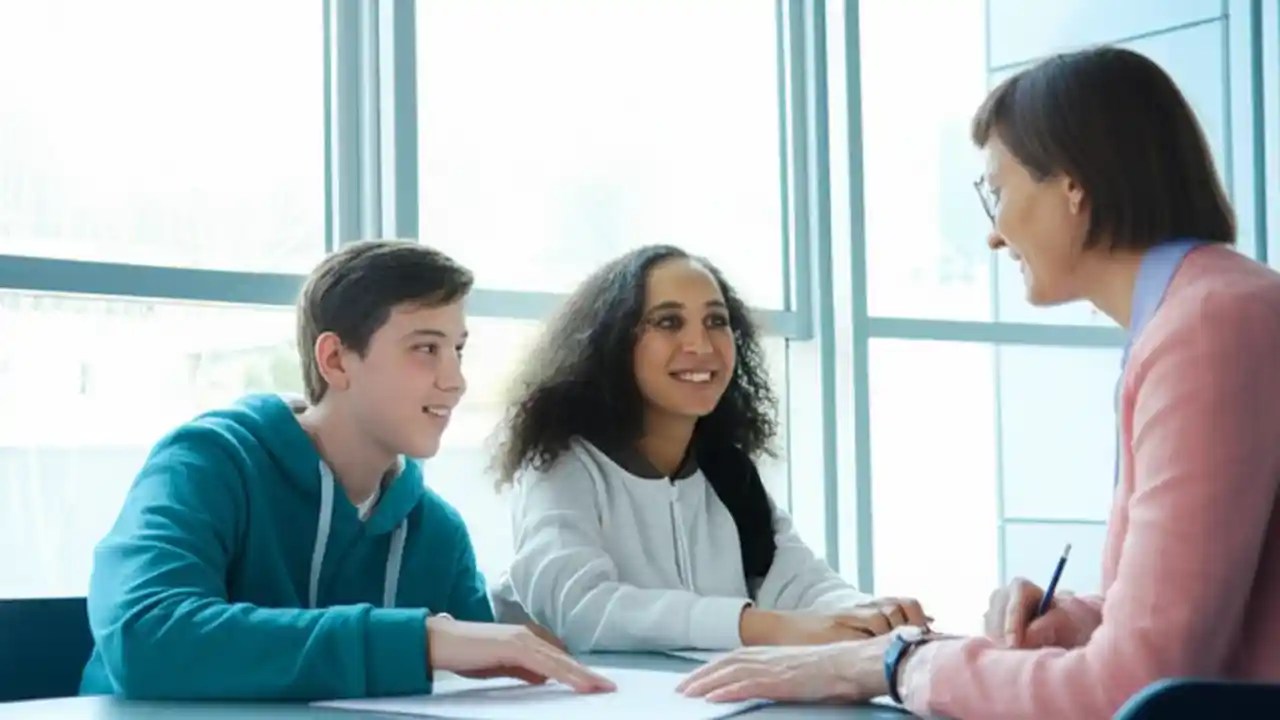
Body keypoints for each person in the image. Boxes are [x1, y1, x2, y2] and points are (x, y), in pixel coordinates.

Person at [675, 46, 1280, 718]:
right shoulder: (1211, 310)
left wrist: (899, 663)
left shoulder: (1207, 327)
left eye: (998, 190)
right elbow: (1222, 609)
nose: (994, 235)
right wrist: (1079, 620)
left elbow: (1134, 685)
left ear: (1073, 185)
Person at [81, 240, 615, 700]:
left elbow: (480, 689)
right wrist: (420, 640)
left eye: (458, 349)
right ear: (335, 360)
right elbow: (143, 636)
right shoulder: (206, 464)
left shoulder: (437, 533)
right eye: (425, 348)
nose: (455, 381)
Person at [489, 245, 927, 653]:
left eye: (717, 321)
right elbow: (579, 609)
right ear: (614, 343)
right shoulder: (564, 463)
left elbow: (798, 583)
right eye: (668, 322)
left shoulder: (727, 471)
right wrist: (762, 626)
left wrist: (869, 618)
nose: (701, 345)